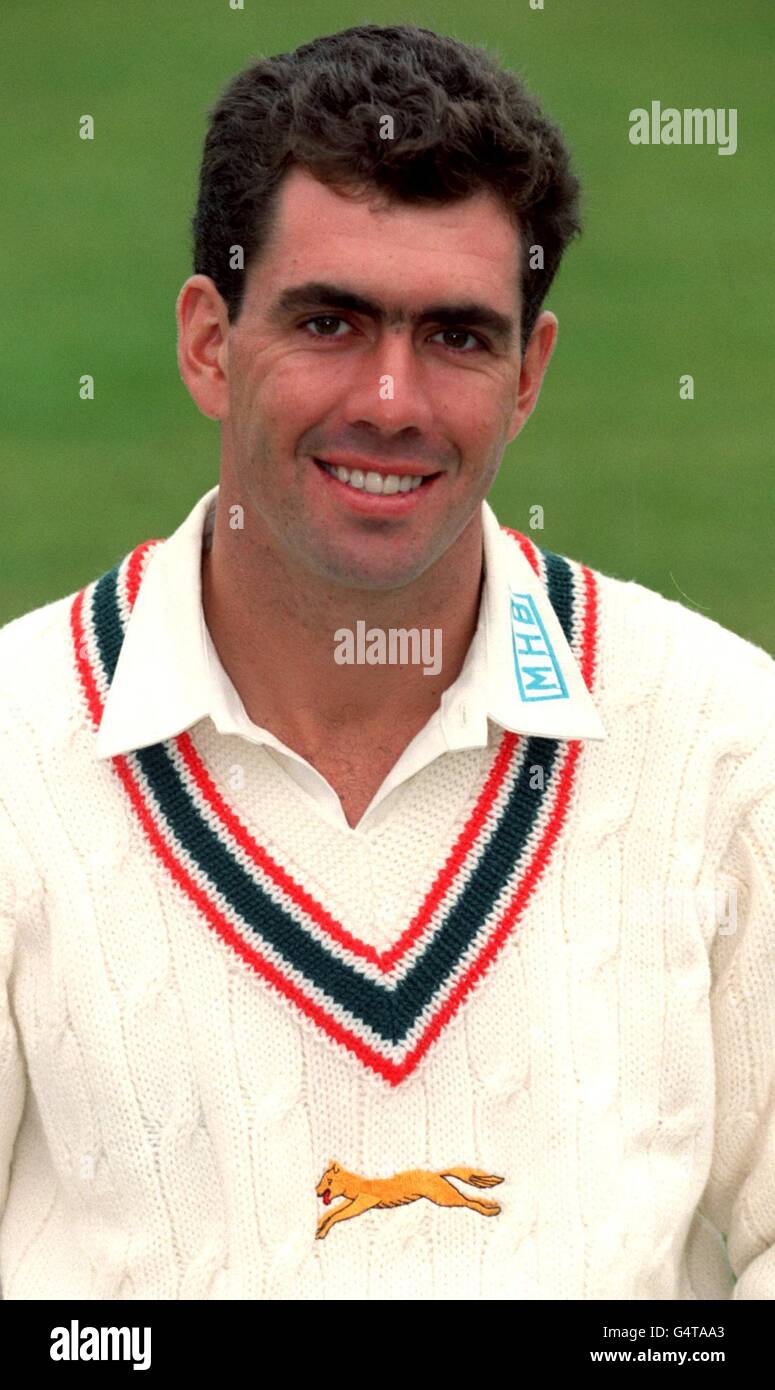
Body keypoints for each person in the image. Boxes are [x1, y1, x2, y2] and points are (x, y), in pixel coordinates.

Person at [1, 23, 773, 1301]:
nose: (391, 401)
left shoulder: (724, 740)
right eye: (330, 321)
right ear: (209, 341)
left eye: (459, 337)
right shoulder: (21, 750)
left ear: (529, 373)